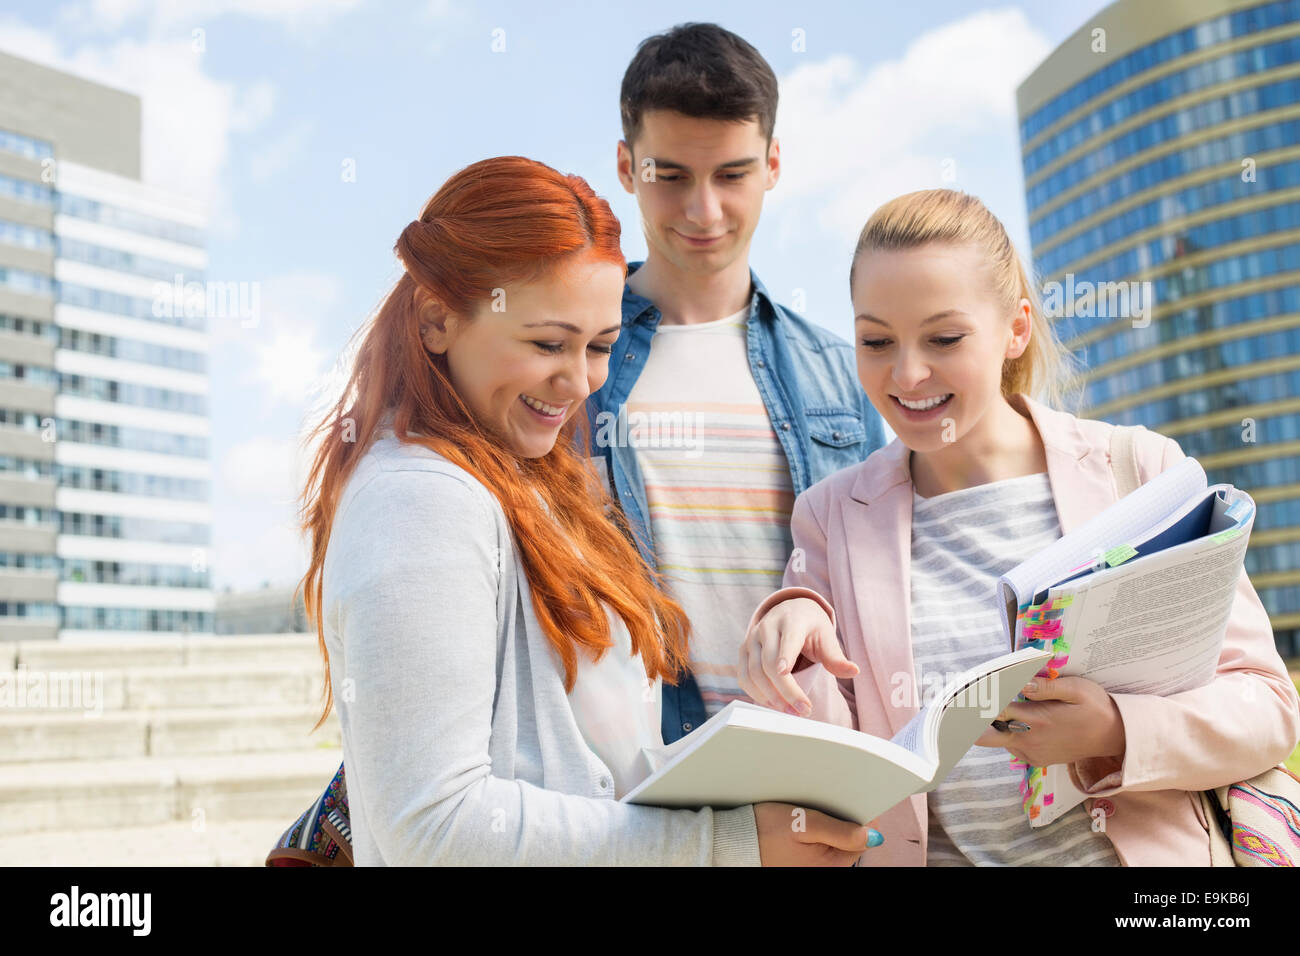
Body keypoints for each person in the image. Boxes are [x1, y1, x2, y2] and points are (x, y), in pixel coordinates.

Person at [295, 155, 872, 866]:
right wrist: (729, 844)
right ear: (437, 320)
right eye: (547, 343)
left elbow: (591, 772)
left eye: (600, 346)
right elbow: (434, 826)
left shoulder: (522, 481)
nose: (578, 382)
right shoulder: (419, 500)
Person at [736, 188, 1300, 866]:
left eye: (943, 338)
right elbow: (831, 772)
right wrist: (794, 632)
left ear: (1016, 329)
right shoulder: (831, 517)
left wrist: (1117, 730)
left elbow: (1267, 709)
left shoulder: (1139, 471)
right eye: (876, 340)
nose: (907, 373)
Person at [588, 23, 888, 745]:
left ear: (773, 164)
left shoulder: (843, 374)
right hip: (635, 790)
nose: (704, 211)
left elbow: (879, 586)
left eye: (731, 175)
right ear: (627, 168)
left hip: (811, 767)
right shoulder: (568, 366)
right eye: (672, 176)